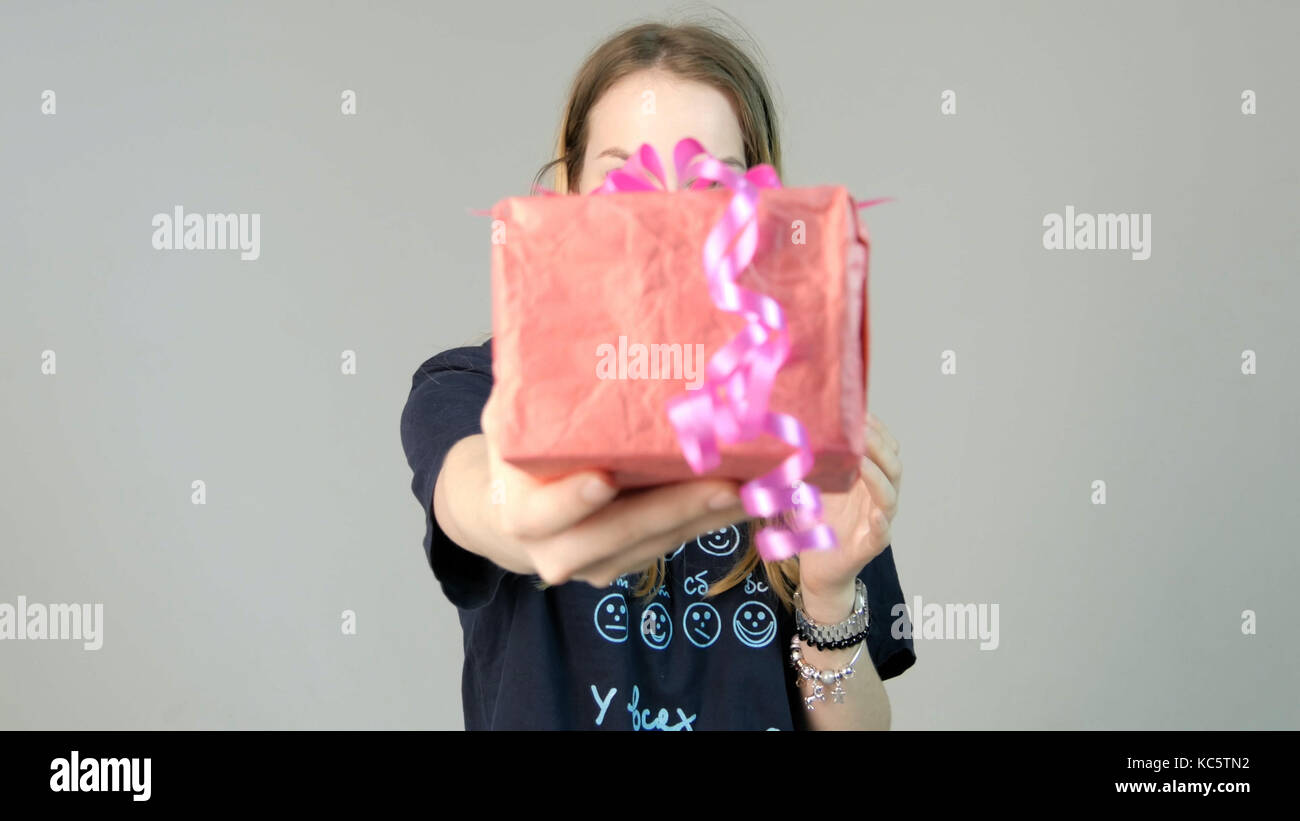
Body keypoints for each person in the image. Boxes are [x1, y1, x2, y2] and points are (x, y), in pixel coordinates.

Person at [400, 19, 915, 731]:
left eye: (709, 184)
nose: (665, 222)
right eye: (623, 179)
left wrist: (829, 595)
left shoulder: (802, 416)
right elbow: (471, 494)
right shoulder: (476, 387)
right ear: (571, 197)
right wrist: (511, 506)